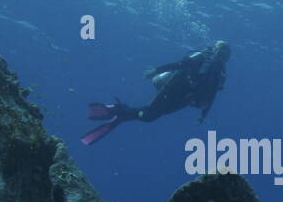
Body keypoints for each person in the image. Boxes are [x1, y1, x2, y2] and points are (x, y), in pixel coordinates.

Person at [82, 40, 231, 145]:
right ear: (215, 49)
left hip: (185, 98)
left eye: (224, 54)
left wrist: (203, 115)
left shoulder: (219, 73)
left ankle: (122, 115)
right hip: (174, 87)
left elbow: (212, 95)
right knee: (149, 114)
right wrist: (155, 71)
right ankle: (117, 110)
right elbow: (179, 65)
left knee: (150, 116)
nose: (221, 55)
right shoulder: (203, 58)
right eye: (221, 51)